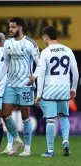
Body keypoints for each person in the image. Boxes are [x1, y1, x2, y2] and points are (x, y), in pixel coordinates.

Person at [29, 26, 79, 157]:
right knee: (64, 116)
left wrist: (39, 94)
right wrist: (73, 88)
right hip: (64, 89)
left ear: (45, 37)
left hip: (50, 90)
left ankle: (50, 151)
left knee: (50, 120)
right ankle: (66, 141)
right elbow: (75, 72)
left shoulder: (45, 52)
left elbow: (40, 75)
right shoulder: (68, 50)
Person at [0, 17, 40, 156]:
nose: (10, 29)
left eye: (13, 27)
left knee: (26, 115)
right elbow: (6, 63)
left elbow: (40, 64)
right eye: (9, 27)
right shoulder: (7, 43)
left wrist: (34, 77)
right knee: (5, 113)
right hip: (10, 84)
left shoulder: (30, 43)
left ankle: (27, 148)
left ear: (20, 27)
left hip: (25, 84)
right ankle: (16, 139)